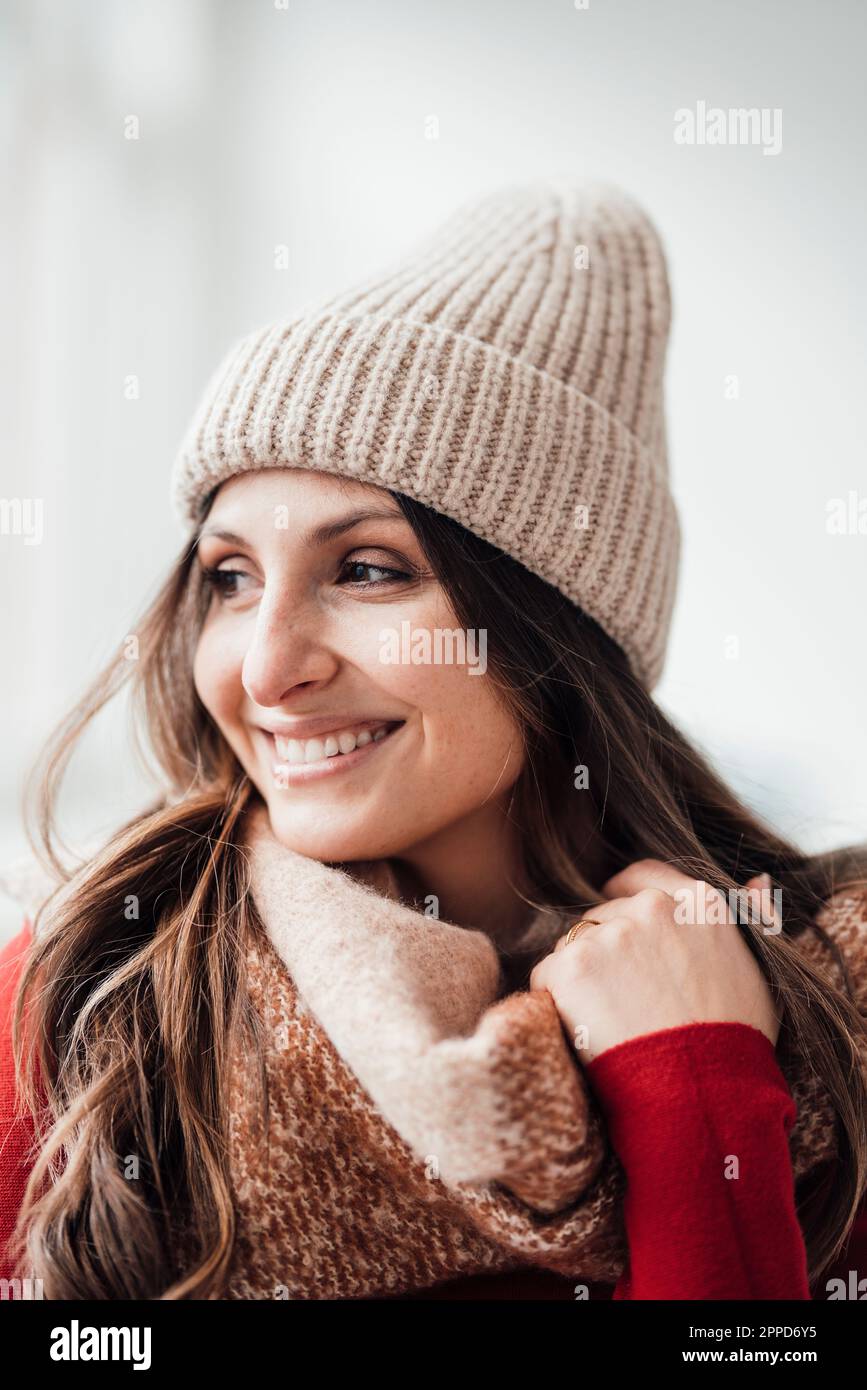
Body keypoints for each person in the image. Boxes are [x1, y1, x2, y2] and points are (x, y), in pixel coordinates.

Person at [1, 182, 866, 1301]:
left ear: (557, 623)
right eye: (230, 578)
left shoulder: (834, 1008)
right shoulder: (93, 993)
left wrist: (695, 1087)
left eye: (366, 569)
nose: (266, 669)